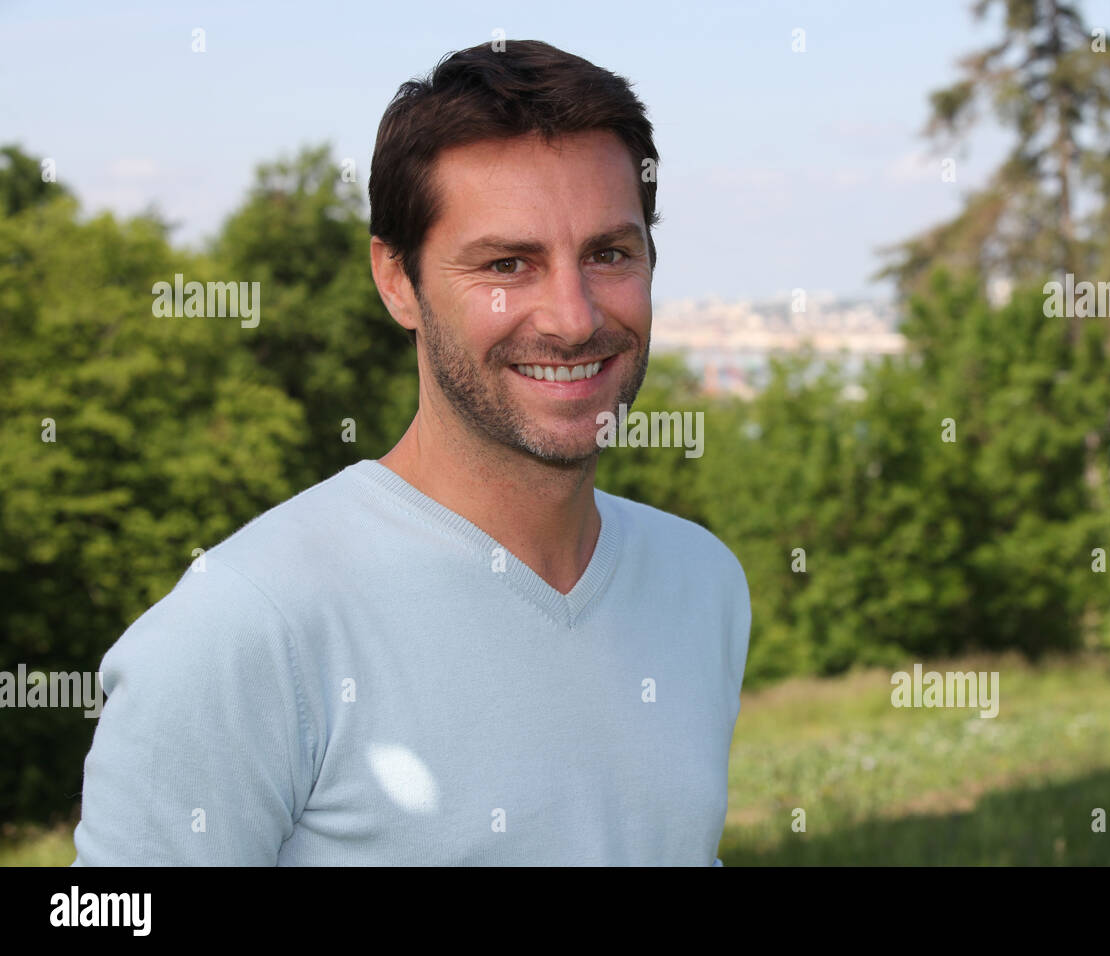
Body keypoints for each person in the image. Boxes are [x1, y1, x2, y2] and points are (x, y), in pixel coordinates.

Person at [72, 39, 751, 866]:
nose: (573, 319)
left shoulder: (702, 582)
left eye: (609, 254)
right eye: (508, 264)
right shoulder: (243, 631)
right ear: (396, 280)